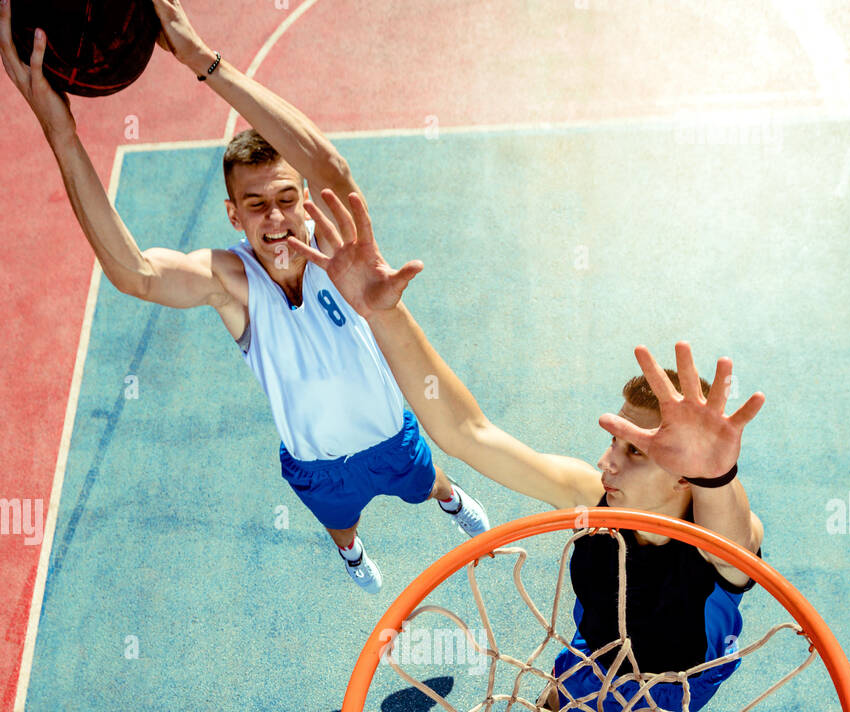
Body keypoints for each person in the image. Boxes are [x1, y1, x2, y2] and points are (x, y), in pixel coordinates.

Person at [0, 0, 489, 595]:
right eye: (256, 204)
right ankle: (353, 551)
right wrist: (61, 131)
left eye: (287, 197)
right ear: (234, 214)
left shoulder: (340, 251)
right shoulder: (232, 281)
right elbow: (134, 274)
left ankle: (450, 499)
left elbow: (331, 165)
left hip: (390, 436)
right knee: (342, 525)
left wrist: (202, 60)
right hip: (317, 465)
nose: (276, 216)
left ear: (305, 197)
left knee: (427, 481)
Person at [283, 189, 767, 712]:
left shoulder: (717, 530)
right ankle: (560, 706)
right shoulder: (593, 497)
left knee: (586, 703)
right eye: (613, 441)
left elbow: (732, 543)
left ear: (686, 474)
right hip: (599, 651)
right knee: (560, 700)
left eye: (636, 450)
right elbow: (468, 432)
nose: (608, 462)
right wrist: (384, 315)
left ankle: (572, 706)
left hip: (684, 679)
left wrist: (715, 474)